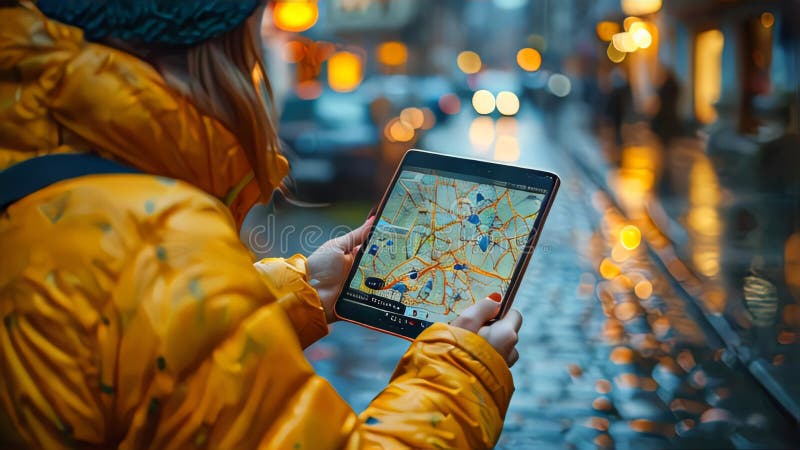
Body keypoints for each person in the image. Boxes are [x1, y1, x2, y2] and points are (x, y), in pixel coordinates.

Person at [0, 1, 522, 448]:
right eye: (252, 45)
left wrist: (306, 289)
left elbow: (154, 339)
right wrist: (463, 370)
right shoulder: (162, 238)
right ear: (218, 53)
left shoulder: (39, 173)